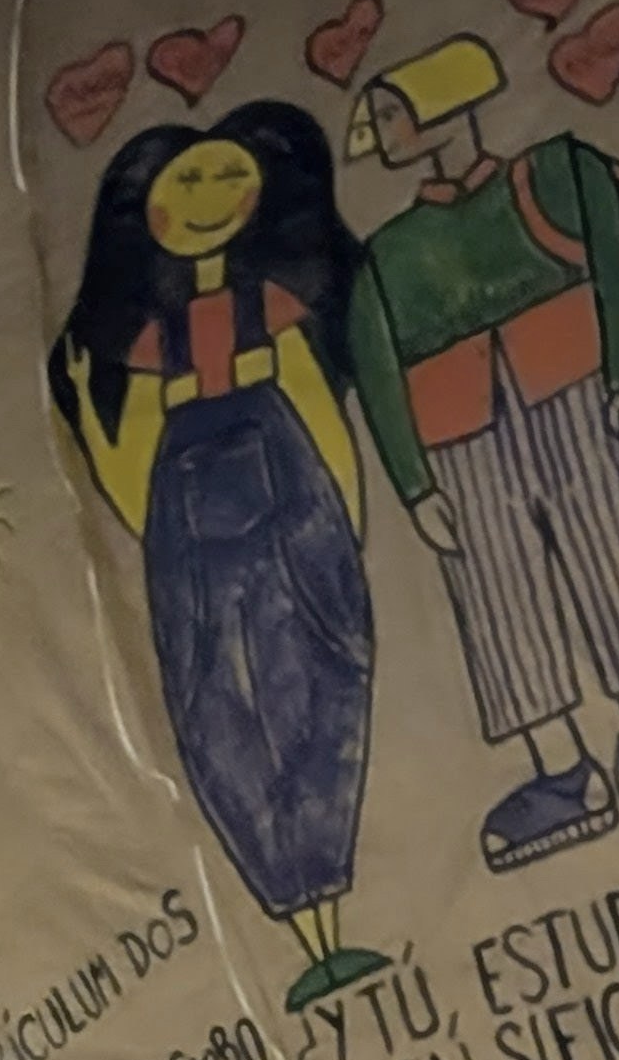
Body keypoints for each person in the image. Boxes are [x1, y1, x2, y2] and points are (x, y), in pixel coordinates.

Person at [335, 34, 619, 866]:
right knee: (496, 586)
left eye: (392, 111)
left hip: (567, 381)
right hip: (459, 430)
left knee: (612, 539)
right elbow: (375, 367)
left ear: (444, 100)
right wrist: (415, 486)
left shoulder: (552, 171)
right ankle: (558, 769)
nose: (383, 130)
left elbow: (617, 263)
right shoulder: (388, 251)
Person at [47, 105, 381, 1000]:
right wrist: (91, 419)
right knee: (220, 710)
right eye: (183, 185)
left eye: (224, 178)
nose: (207, 198)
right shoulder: (147, 342)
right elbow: (136, 465)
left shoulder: (274, 306)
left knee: (322, 684)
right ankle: (304, 930)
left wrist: (344, 522)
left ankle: (333, 917)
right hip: (194, 540)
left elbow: (318, 407)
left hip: (288, 506)